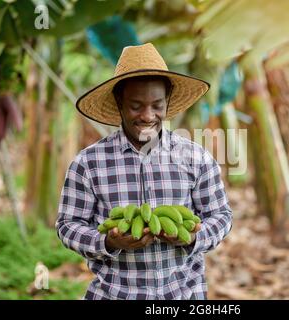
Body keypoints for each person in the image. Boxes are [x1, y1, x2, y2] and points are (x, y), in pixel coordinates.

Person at [55, 43, 233, 300]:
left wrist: (194, 238)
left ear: (167, 101)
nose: (148, 116)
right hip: (114, 294)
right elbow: (67, 226)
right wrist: (108, 242)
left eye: (157, 105)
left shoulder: (196, 158)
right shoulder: (88, 164)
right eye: (136, 106)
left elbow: (221, 216)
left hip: (182, 295)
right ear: (119, 102)